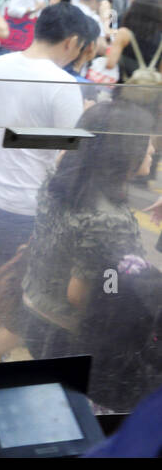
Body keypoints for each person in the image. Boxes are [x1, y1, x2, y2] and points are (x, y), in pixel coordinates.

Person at [0, 3, 86, 367]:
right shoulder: (64, 85)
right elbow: (70, 154)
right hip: (32, 206)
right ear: (72, 41)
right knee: (34, 290)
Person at [22, 101, 158, 363]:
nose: (152, 149)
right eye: (144, 141)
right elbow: (80, 295)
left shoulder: (60, 181)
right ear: (122, 151)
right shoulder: (108, 219)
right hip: (67, 336)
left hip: (35, 309)